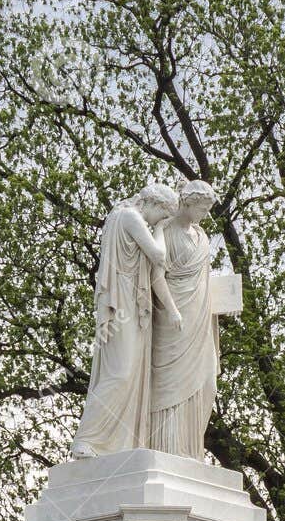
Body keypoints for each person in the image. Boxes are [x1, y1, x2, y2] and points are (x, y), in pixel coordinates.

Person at [71, 185, 181, 458]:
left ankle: (116, 442)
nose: (161, 221)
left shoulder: (121, 216)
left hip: (130, 302)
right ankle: (86, 438)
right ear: (155, 204)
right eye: (163, 215)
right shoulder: (130, 216)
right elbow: (158, 255)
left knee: (128, 372)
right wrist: (160, 230)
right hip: (122, 305)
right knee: (119, 372)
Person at [148, 179, 219, 459]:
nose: (204, 214)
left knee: (208, 380)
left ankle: (191, 450)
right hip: (172, 317)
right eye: (202, 208)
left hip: (200, 317)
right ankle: (169, 450)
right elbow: (156, 277)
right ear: (187, 203)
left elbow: (204, 281)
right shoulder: (164, 230)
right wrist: (173, 310)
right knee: (172, 383)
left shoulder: (201, 236)